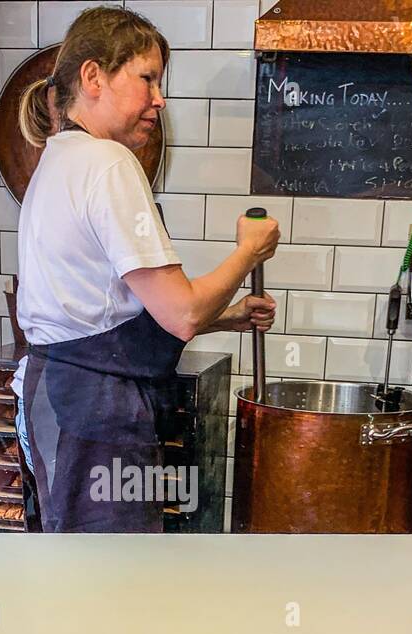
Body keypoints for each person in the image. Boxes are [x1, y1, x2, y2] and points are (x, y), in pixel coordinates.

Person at [14, 6, 278, 533]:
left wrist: (226, 317)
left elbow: (105, 308)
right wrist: (249, 250)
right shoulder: (107, 164)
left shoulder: (59, 159)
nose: (159, 98)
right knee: (117, 579)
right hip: (97, 412)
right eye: (147, 78)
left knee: (81, 572)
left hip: (60, 399)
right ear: (93, 77)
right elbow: (180, 314)